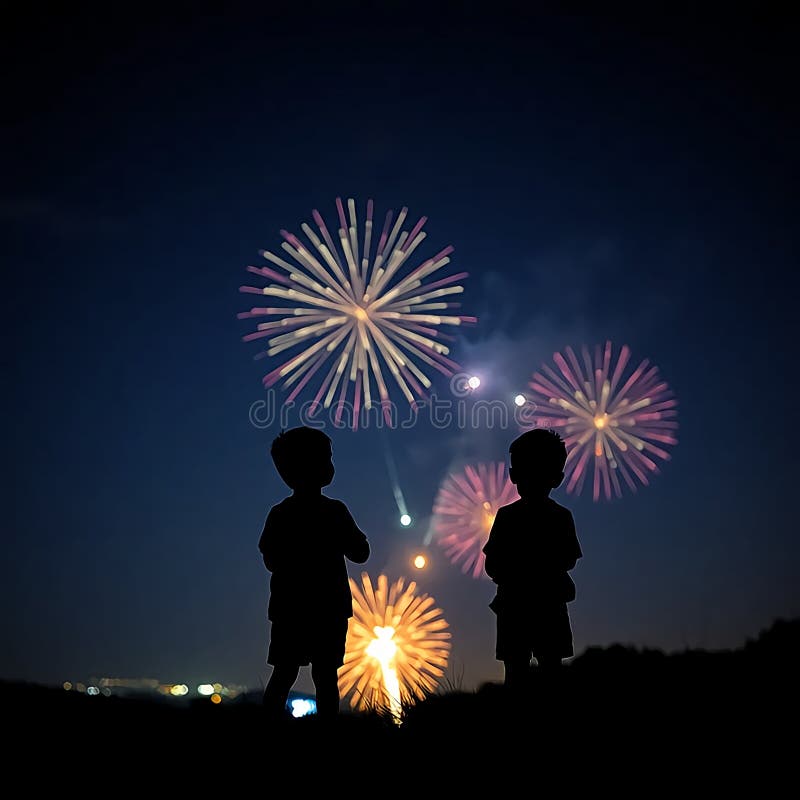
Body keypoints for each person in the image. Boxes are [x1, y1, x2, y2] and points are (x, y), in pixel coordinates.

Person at [258, 426, 370, 718]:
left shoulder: (279, 514)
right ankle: (327, 734)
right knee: (326, 677)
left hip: (288, 608)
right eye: (327, 458)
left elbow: (270, 559)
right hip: (329, 609)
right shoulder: (335, 512)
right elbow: (361, 553)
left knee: (283, 673)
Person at [482, 428, 582, 690]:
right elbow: (569, 559)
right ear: (557, 478)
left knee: (516, 671)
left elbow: (491, 565)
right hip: (549, 602)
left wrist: (515, 573)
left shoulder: (506, 517)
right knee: (551, 668)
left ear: (514, 475)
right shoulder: (561, 517)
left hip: (515, 604)